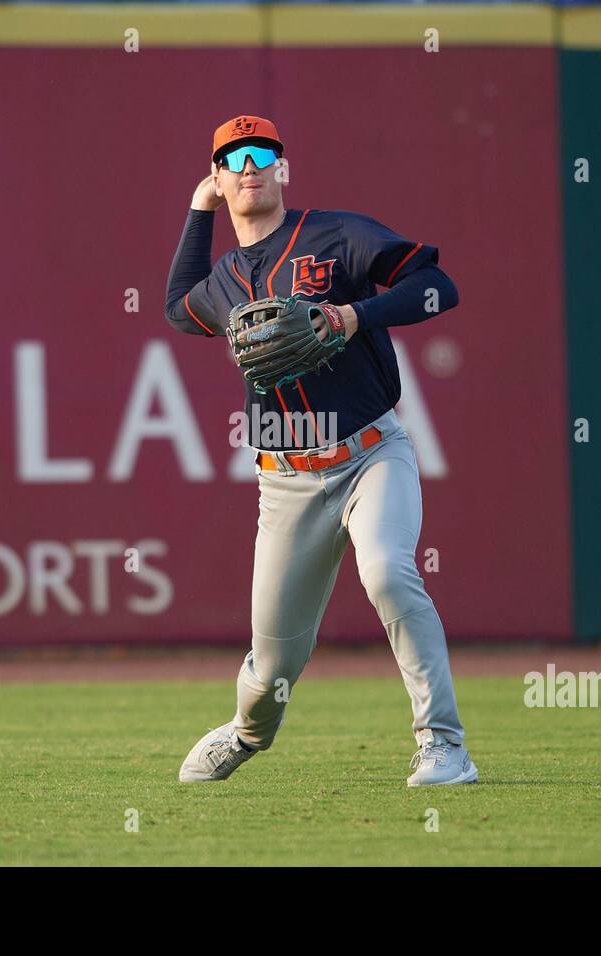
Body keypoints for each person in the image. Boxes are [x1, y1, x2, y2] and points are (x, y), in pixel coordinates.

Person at [163, 115, 476, 787]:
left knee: (388, 573)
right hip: (285, 478)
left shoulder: (338, 235)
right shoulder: (222, 279)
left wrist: (354, 314)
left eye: (262, 153)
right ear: (219, 178)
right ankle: (246, 735)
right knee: (272, 665)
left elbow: (438, 286)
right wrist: (198, 210)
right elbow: (175, 308)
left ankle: (444, 744)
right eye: (232, 158)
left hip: (370, 454)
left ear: (284, 168)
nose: (249, 166)